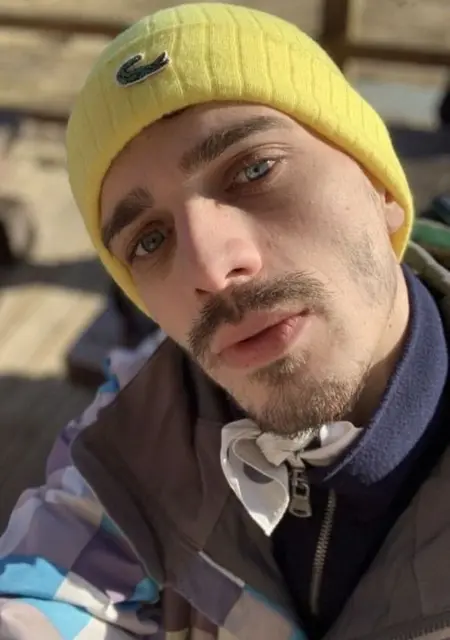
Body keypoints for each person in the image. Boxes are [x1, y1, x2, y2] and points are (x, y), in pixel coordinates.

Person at [0, 4, 449, 639]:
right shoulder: (129, 447)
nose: (210, 267)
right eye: (149, 241)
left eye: (255, 169)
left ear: (380, 185)